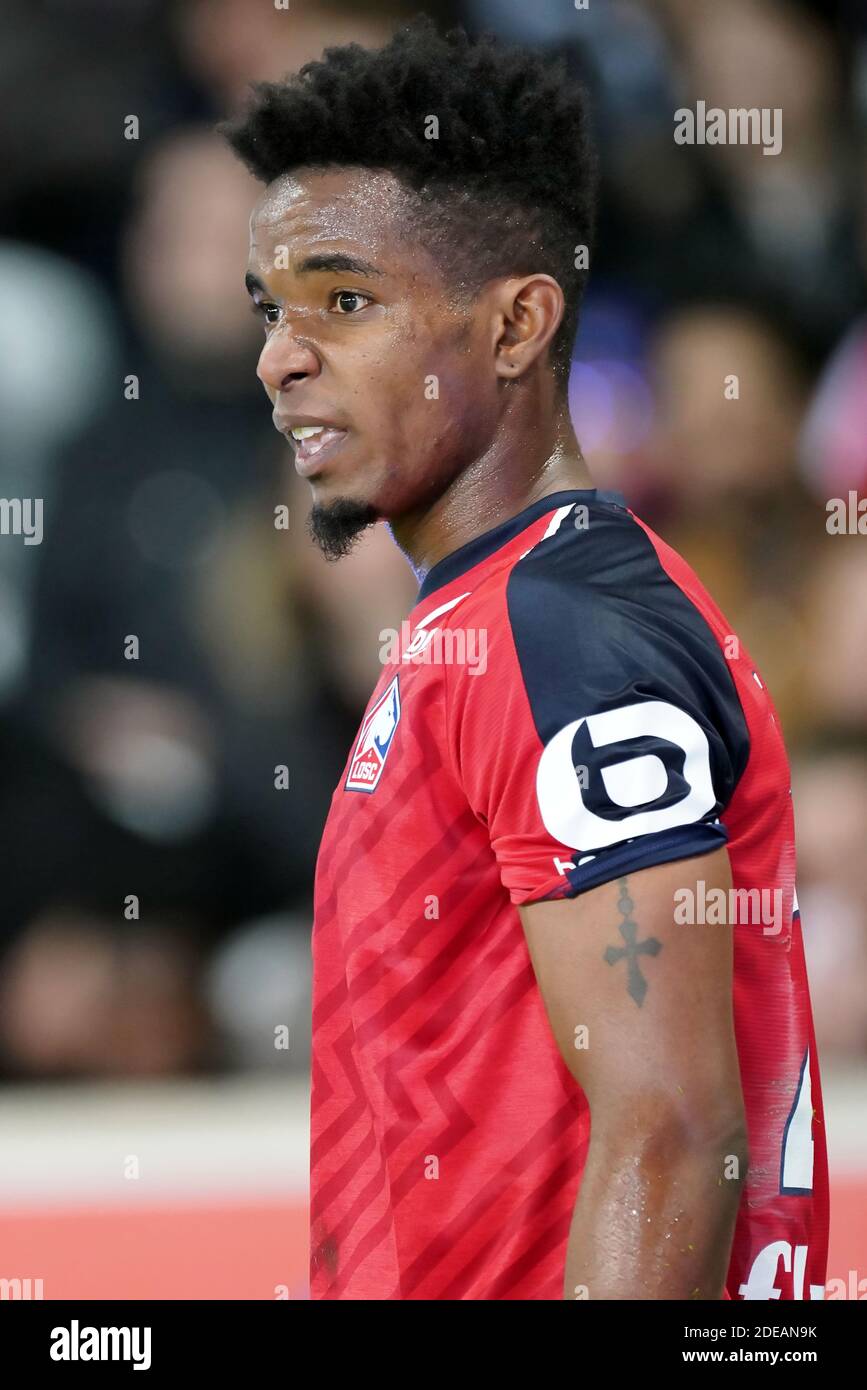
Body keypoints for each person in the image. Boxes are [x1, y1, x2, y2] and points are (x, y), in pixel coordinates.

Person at [220, 18, 829, 1300]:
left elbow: (671, 1132)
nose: (282, 356)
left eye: (347, 300)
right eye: (272, 311)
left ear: (516, 327)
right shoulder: (490, 615)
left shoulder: (568, 629)